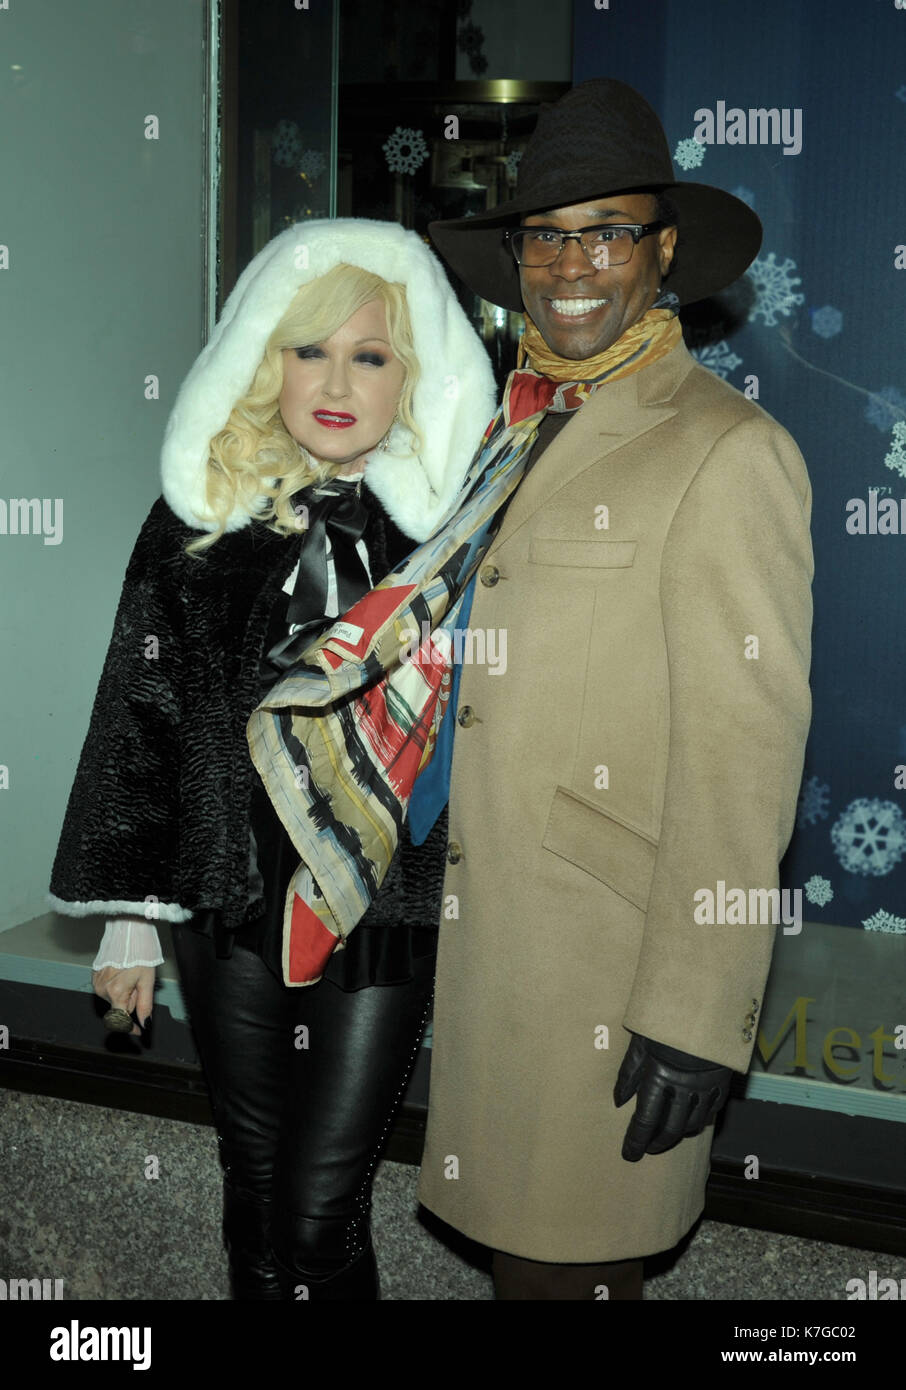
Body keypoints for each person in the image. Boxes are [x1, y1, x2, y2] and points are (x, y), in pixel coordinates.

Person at [409, 78, 814, 1299]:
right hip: (494, 954)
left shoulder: (728, 450)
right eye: (546, 234)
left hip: (609, 982)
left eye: (607, 232)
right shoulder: (512, 428)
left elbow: (745, 758)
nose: (572, 264)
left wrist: (698, 1009)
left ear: (665, 252)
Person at [47, 219, 497, 1301]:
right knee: (250, 1185)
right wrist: (129, 919)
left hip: (382, 913)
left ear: (415, 374)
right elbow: (141, 719)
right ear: (265, 358)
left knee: (318, 1212)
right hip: (227, 903)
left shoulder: (454, 538)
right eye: (309, 350)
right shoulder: (194, 525)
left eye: (370, 355)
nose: (335, 380)